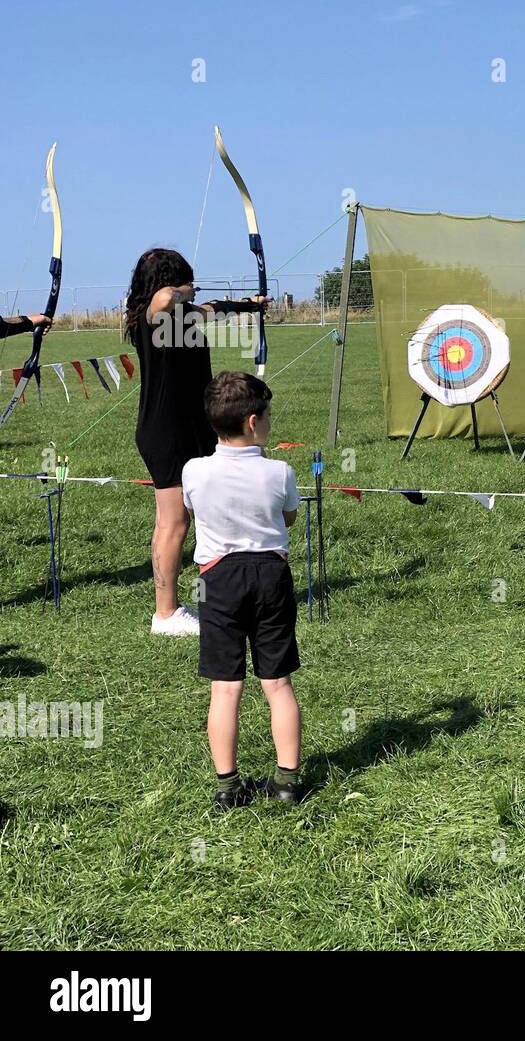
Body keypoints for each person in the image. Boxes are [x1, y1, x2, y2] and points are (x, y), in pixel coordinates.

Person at [122, 249, 268, 636]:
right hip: (166, 431)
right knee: (174, 522)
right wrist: (183, 291)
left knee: (187, 517)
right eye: (185, 279)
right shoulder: (149, 318)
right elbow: (166, 299)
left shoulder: (184, 316)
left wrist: (249, 305)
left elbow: (214, 307)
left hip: (193, 426)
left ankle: (219, 594)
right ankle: (165, 614)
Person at [182, 370, 305, 809]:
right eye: (268, 415)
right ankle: (287, 782)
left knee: (225, 687)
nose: (271, 422)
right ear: (253, 422)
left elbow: (194, 510)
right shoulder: (280, 470)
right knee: (278, 683)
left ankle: (228, 788)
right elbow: (287, 518)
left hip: (216, 581)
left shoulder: (194, 470)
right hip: (271, 576)